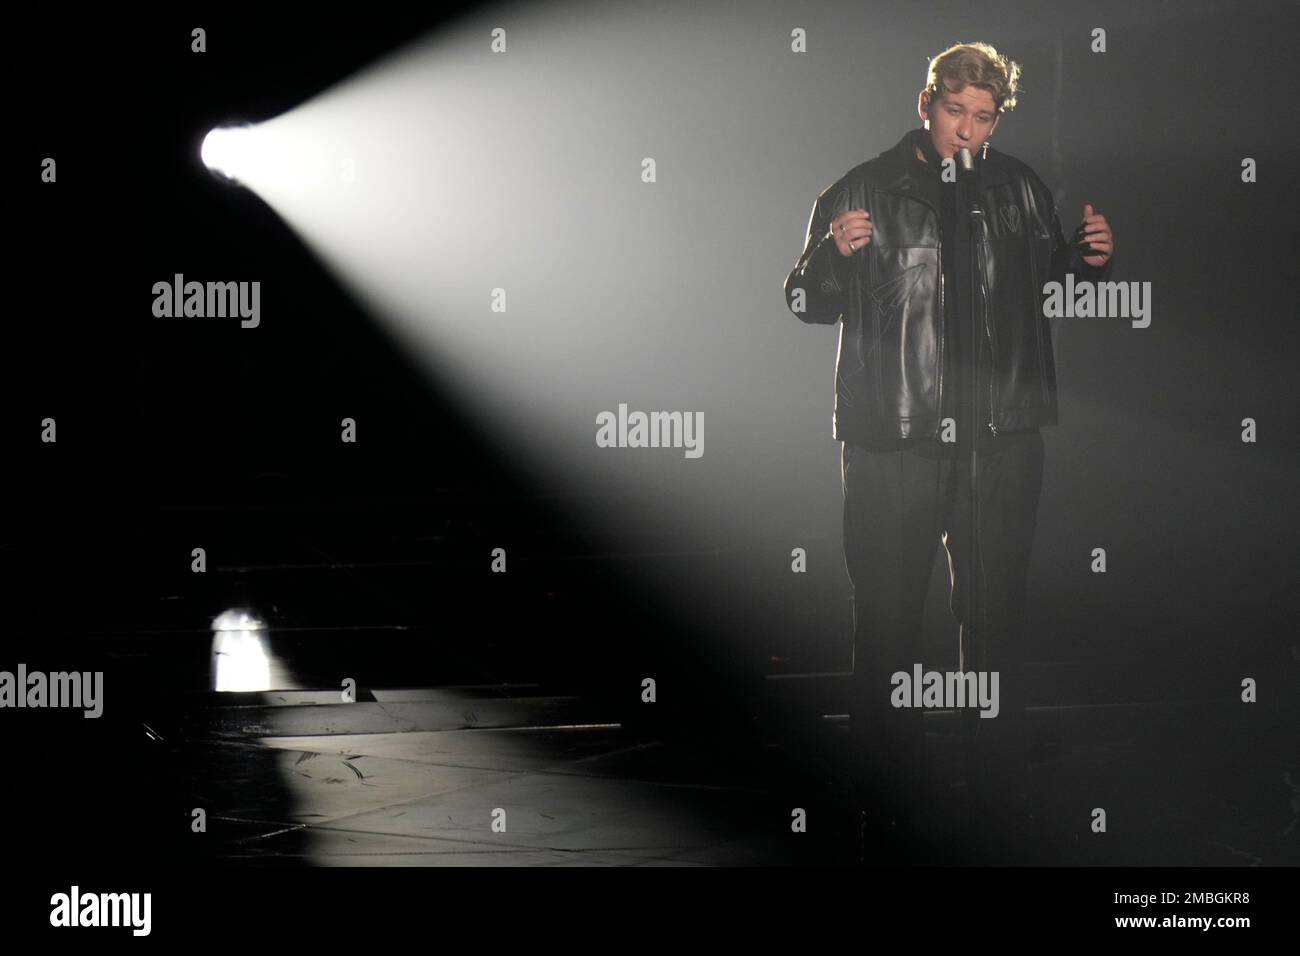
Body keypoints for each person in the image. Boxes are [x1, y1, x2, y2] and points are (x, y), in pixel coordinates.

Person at [781, 42, 1114, 862]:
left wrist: (1092, 262)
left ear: (998, 117)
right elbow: (801, 301)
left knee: (996, 629)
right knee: (889, 634)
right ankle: (886, 808)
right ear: (927, 102)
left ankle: (997, 802)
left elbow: (1054, 289)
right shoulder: (858, 188)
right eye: (955, 112)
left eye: (984, 117)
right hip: (894, 441)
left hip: (1000, 445)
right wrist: (833, 256)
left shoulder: (1020, 188)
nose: (968, 131)